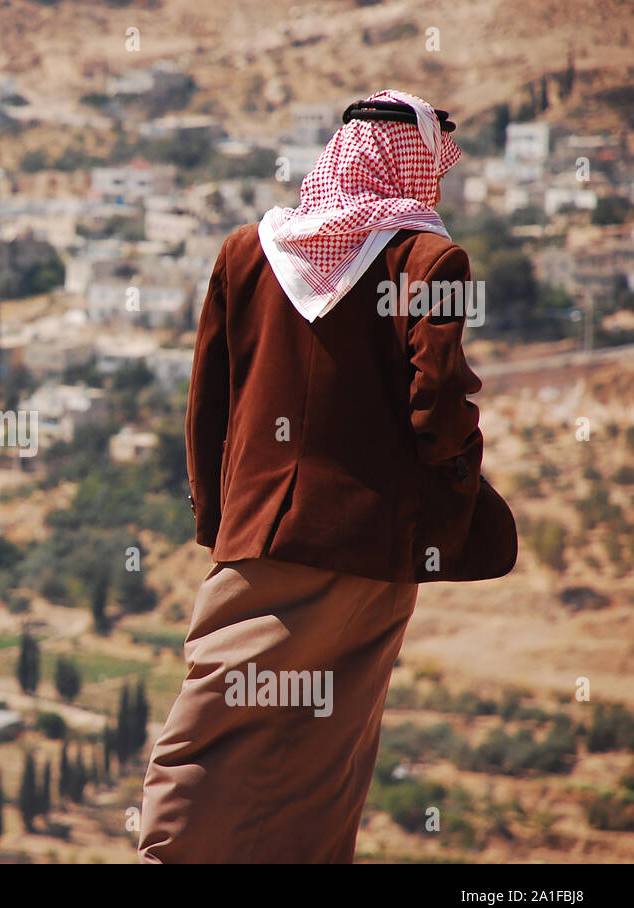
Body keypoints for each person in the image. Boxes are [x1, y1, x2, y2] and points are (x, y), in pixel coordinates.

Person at [138, 89, 517, 864]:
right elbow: (441, 407)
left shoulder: (248, 253)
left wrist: (219, 523)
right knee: (328, 741)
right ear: (412, 163)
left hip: (257, 540)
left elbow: (207, 403)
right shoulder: (429, 259)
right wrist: (438, 534)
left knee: (214, 721)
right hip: (371, 550)